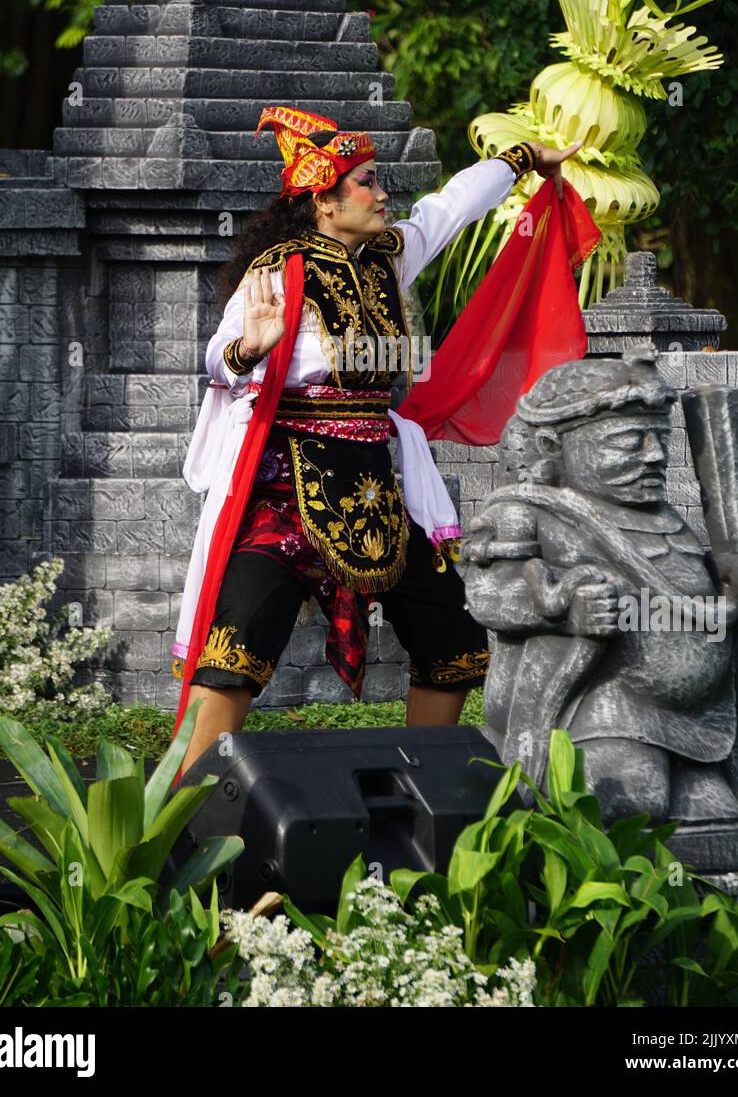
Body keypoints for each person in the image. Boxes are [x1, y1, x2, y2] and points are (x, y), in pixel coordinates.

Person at [172, 105, 588, 777]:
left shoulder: (390, 259)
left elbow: (451, 207)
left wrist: (523, 162)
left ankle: (423, 790)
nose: (383, 193)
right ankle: (174, 817)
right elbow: (216, 357)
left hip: (376, 487)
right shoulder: (280, 273)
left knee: (452, 646)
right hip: (288, 491)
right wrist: (249, 347)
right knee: (233, 657)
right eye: (367, 182)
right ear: (325, 200)